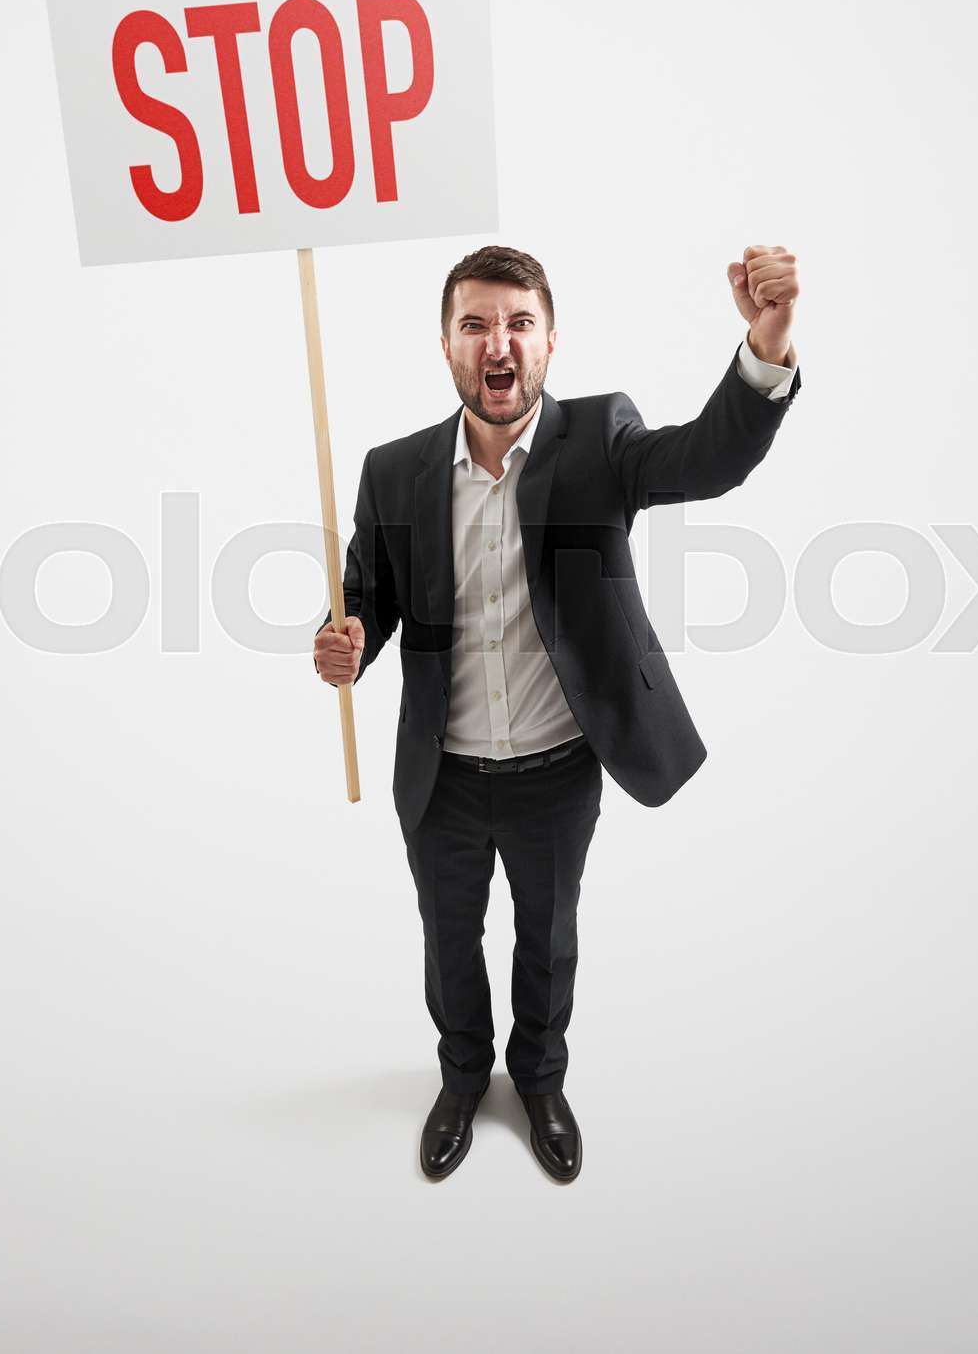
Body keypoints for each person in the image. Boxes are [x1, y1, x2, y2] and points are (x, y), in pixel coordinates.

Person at [313, 243, 802, 1182]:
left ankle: (538, 1080)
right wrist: (347, 641)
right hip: (442, 775)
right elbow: (366, 599)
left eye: (518, 322)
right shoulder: (394, 470)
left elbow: (708, 458)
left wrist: (765, 347)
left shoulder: (599, 443)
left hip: (556, 769)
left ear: (548, 341)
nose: (498, 341)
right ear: (447, 344)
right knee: (449, 941)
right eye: (475, 323)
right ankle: (462, 1079)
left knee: (546, 937)